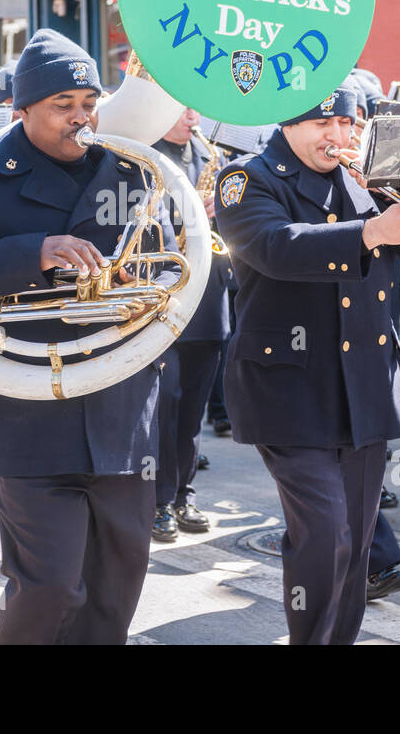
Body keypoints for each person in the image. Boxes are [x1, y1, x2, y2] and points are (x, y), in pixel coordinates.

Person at [0, 29, 173, 644]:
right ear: (21, 109)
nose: (81, 119)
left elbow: (164, 257)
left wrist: (141, 270)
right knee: (49, 586)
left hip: (120, 402)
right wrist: (36, 252)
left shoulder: (128, 167)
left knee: (117, 586)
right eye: (63, 106)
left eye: (89, 102)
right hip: (30, 410)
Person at [213, 84, 400, 644]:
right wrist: (370, 231)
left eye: (349, 125)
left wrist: (397, 195)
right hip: (290, 386)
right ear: (290, 125)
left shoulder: (365, 179)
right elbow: (274, 247)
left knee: (359, 542)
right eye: (324, 125)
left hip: (366, 382)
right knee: (326, 533)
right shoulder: (248, 178)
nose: (339, 137)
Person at [149, 107, 232, 541]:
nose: (191, 116)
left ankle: (185, 492)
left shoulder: (209, 155)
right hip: (167, 296)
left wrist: (221, 212)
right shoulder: (146, 158)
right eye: (179, 107)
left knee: (194, 409)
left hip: (210, 294)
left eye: (195, 107)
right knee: (166, 403)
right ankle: (159, 499)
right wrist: (187, 214)